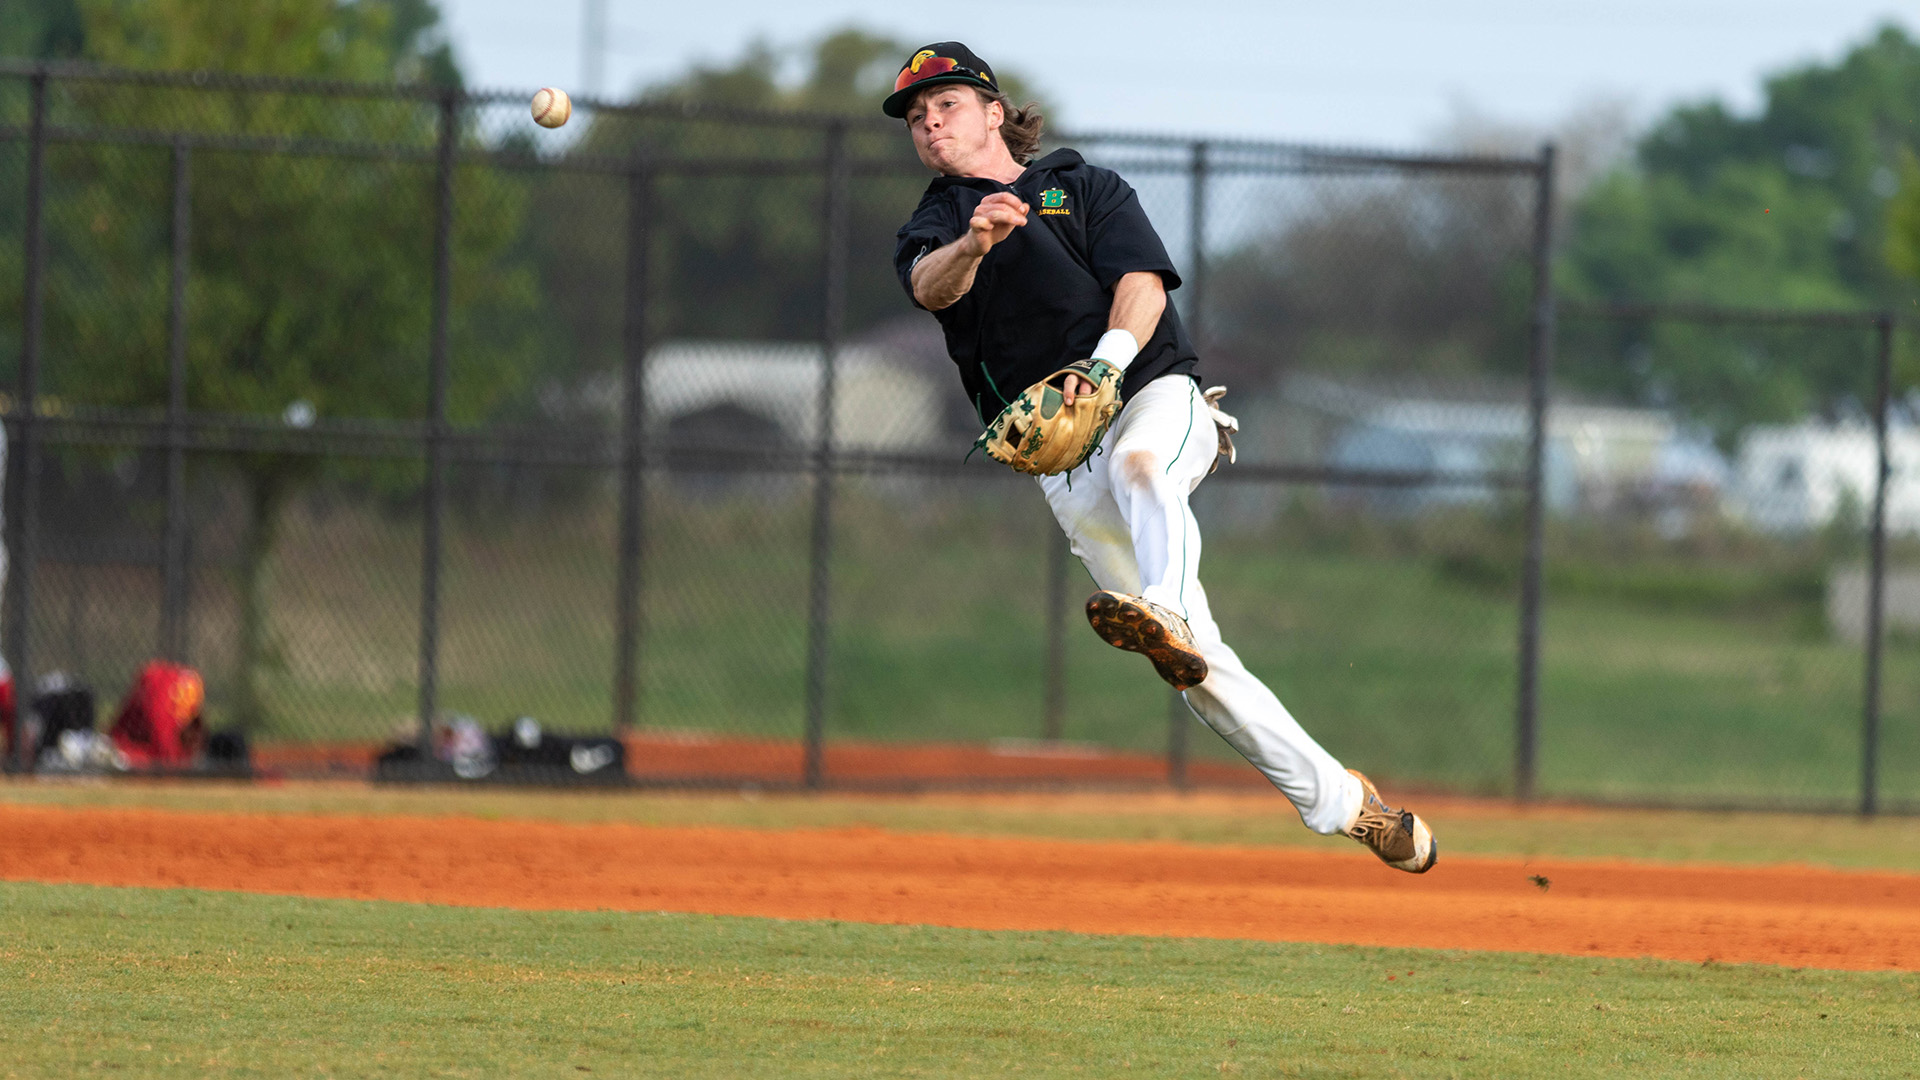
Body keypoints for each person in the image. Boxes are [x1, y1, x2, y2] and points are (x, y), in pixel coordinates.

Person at [887, 43, 1435, 872]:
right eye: (918, 117)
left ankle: (1166, 608)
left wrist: (1102, 367)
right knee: (1195, 668)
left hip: (1151, 395)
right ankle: (1353, 808)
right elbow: (931, 287)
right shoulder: (936, 224)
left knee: (1143, 469)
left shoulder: (1086, 188)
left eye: (948, 104)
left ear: (995, 112)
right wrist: (972, 243)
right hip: (1063, 462)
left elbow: (1142, 287)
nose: (931, 123)